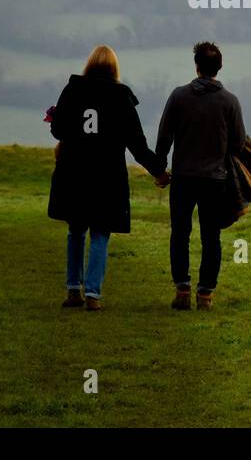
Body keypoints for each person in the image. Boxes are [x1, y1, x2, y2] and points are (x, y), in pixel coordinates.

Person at [48, 45, 168, 311]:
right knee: (100, 232)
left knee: (76, 230)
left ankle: (73, 290)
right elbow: (137, 146)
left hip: (74, 173)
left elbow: (58, 131)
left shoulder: (72, 90)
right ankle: (93, 294)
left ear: (89, 65)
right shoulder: (120, 98)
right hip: (107, 177)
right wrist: (159, 171)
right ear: (114, 69)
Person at [155, 41, 247, 311]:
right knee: (211, 237)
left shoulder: (178, 96)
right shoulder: (230, 101)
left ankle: (182, 289)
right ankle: (205, 295)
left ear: (196, 66)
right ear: (219, 67)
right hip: (215, 180)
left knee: (180, 234)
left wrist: (160, 169)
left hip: (183, 178)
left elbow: (164, 137)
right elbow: (239, 143)